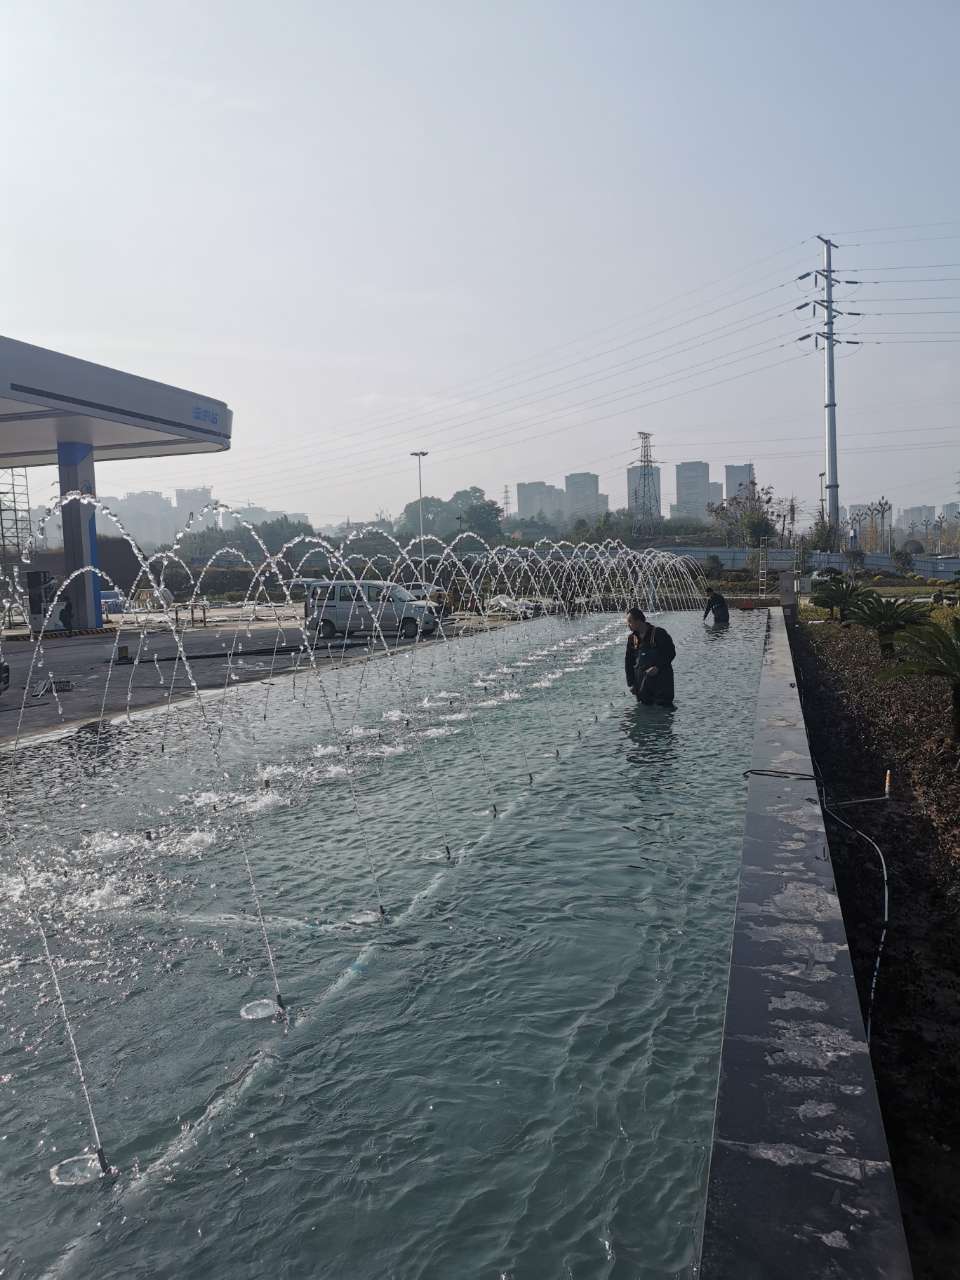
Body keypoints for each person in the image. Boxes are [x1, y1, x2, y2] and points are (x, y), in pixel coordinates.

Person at [625, 607, 676, 707]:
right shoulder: (632, 639)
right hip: (642, 688)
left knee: (663, 712)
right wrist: (631, 683)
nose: (628, 625)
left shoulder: (659, 633)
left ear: (638, 621)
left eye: (630, 622)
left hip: (662, 685)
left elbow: (670, 653)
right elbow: (628, 661)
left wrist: (658, 667)